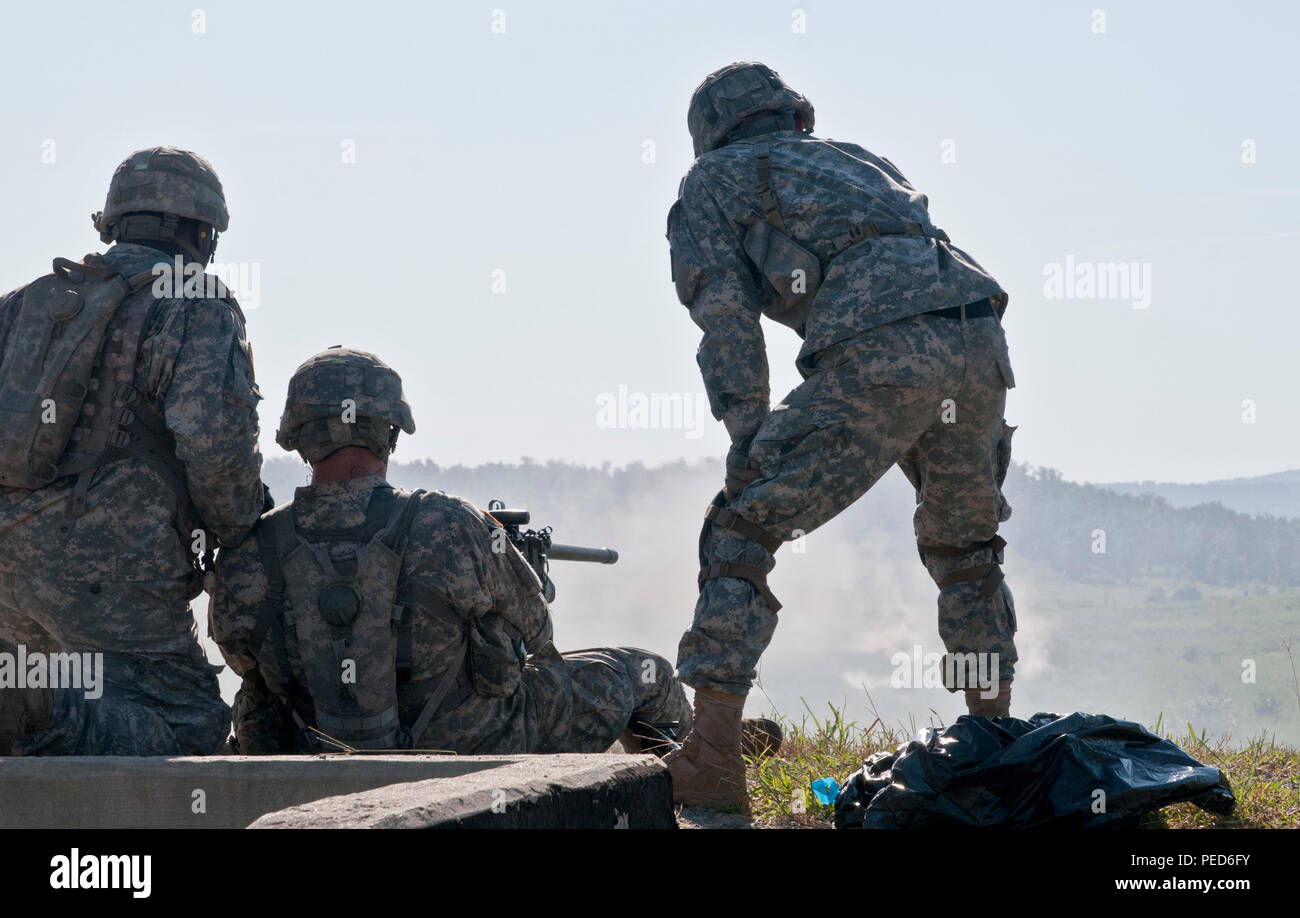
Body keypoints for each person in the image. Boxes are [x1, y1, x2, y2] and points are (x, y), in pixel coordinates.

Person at [665, 62, 1019, 810]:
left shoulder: (713, 181)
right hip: (978, 334)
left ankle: (713, 760)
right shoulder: (856, 157)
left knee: (739, 528)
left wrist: (748, 440)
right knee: (965, 550)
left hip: (881, 347)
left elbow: (725, 317)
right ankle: (996, 746)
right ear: (791, 113)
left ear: (711, 132)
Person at [210, 346, 698, 755]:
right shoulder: (449, 521)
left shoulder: (253, 549)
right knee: (644, 671)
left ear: (298, 438)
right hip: (472, 749)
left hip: (310, 755)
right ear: (391, 431)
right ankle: (701, 770)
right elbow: (538, 628)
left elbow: (242, 656)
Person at [0, 147, 265, 755]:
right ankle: (44, 707)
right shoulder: (195, 303)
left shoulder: (24, 304)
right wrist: (242, 531)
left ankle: (33, 701)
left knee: (41, 739)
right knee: (184, 723)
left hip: (7, 574)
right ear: (199, 232)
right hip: (114, 579)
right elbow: (217, 450)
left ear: (111, 223)